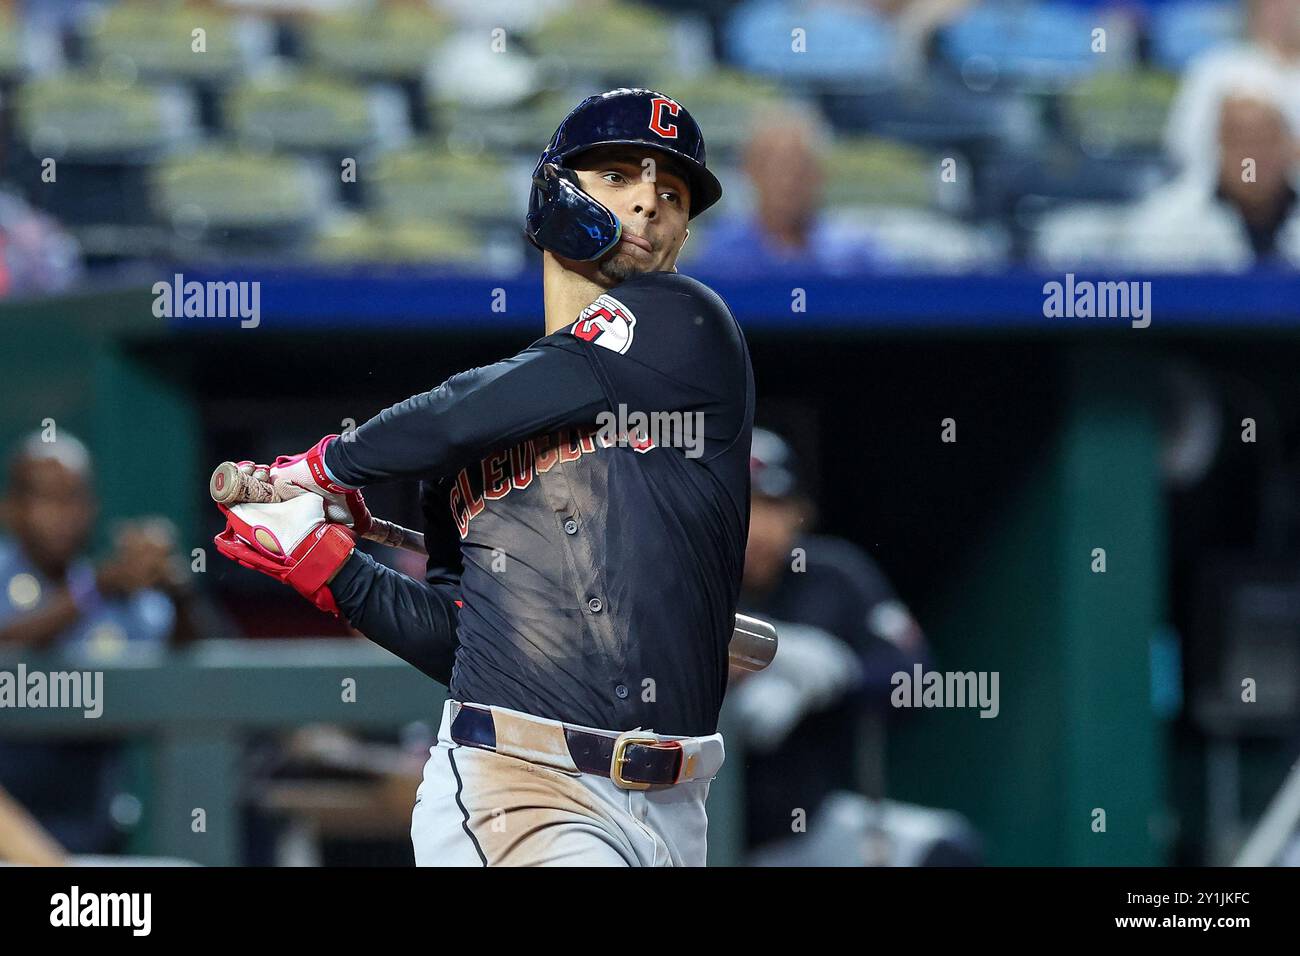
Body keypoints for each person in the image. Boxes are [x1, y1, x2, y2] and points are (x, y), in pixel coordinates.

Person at [214, 88, 754, 866]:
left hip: (679, 807)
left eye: (671, 195)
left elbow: (464, 410)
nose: (648, 203)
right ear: (553, 193)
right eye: (616, 178)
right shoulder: (465, 446)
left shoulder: (688, 326)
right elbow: (467, 637)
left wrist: (325, 466)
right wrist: (333, 571)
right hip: (516, 783)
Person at [727, 427, 929, 854]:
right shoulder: (685, 579)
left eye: (772, 506)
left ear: (799, 512)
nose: (758, 526)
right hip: (687, 827)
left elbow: (916, 679)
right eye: (744, 505)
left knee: (944, 849)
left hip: (807, 826)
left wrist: (840, 675)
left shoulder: (833, 576)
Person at [0, 431, 203, 852]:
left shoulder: (113, 589)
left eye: (73, 498)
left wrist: (177, 591)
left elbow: (184, 654)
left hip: (89, 823)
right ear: (12, 509)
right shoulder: (91, 583)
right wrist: (97, 588)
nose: (62, 515)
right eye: (45, 498)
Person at [1121, 90, 1300, 270]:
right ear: (1217, 147)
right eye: (1242, 142)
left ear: (1292, 147)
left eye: (1267, 141)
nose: (1253, 157)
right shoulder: (1166, 221)